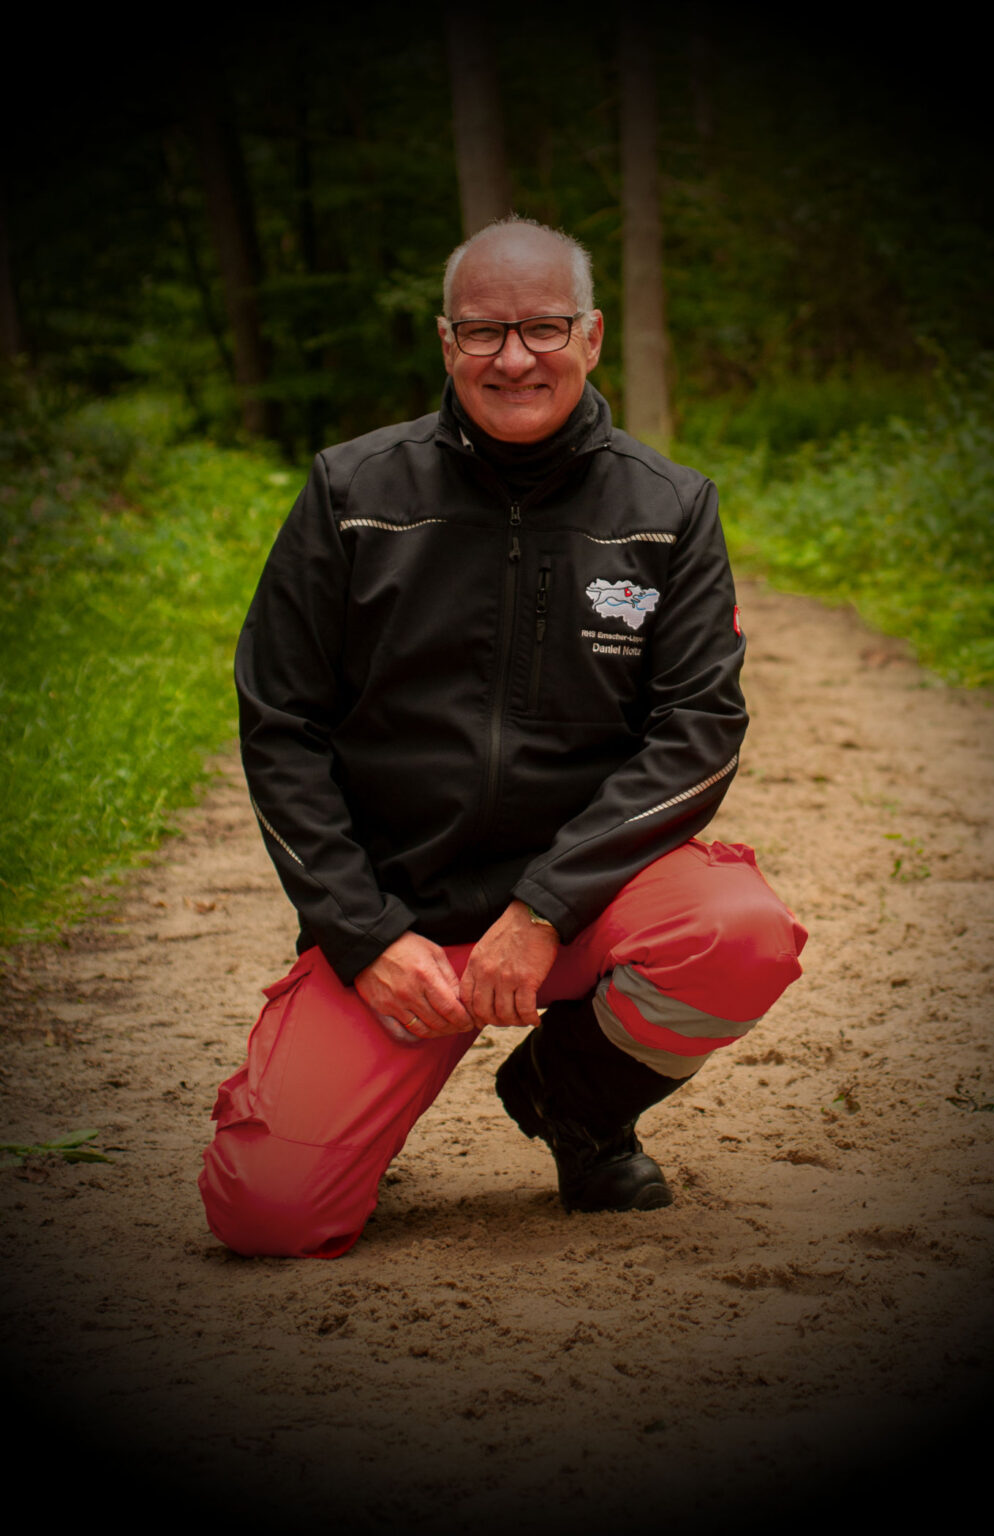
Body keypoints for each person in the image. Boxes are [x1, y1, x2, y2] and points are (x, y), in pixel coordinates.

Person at [199, 216, 807, 1258]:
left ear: (592, 336)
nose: (513, 356)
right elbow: (281, 726)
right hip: (403, 924)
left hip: (580, 906)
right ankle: (352, 1106)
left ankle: (571, 1102)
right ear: (445, 343)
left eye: (541, 327)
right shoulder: (351, 497)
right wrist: (362, 935)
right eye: (483, 332)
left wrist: (543, 906)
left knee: (737, 934)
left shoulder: (669, 511)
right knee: (267, 1215)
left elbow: (697, 732)